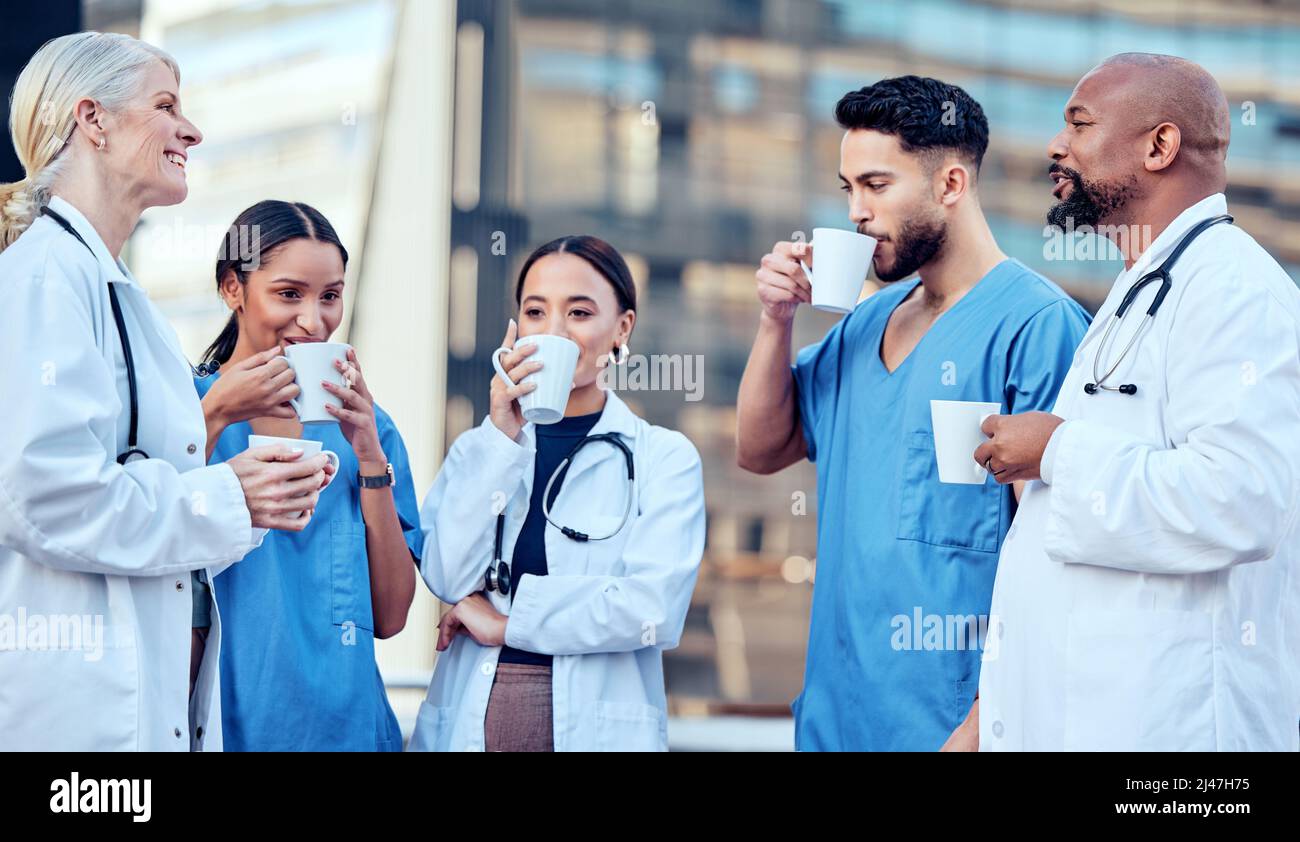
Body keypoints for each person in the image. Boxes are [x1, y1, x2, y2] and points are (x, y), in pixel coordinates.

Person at [736, 76, 1090, 751]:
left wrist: (985, 723)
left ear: (951, 185)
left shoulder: (1039, 328)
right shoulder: (862, 326)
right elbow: (760, 448)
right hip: (835, 725)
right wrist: (775, 320)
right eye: (848, 190)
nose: (857, 213)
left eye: (875, 185)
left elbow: (1065, 557)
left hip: (952, 731)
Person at [0, 32, 329, 751]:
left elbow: (148, 499)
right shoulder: (42, 278)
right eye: (166, 104)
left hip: (135, 712)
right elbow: (44, 494)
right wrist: (229, 495)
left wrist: (248, 493)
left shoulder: (120, 296)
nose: (193, 129)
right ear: (93, 120)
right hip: (73, 728)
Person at [974, 53, 1300, 751]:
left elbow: (1242, 500)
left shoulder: (1234, 290)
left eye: (1079, 124)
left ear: (1160, 146)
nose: (1056, 147)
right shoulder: (1143, 288)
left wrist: (1056, 451)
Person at [410, 235, 705, 752]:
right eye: (536, 312)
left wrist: (506, 625)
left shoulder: (663, 457)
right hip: (472, 719)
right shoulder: (481, 448)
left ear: (622, 329)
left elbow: (649, 609)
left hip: (596, 730)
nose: (554, 332)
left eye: (579, 312)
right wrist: (501, 438)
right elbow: (445, 574)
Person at [195, 200, 421, 751]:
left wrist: (368, 456)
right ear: (233, 288)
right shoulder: (182, 409)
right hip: (225, 728)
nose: (314, 321)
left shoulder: (371, 429)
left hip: (349, 731)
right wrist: (215, 414)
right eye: (289, 294)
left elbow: (390, 616)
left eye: (330, 296)